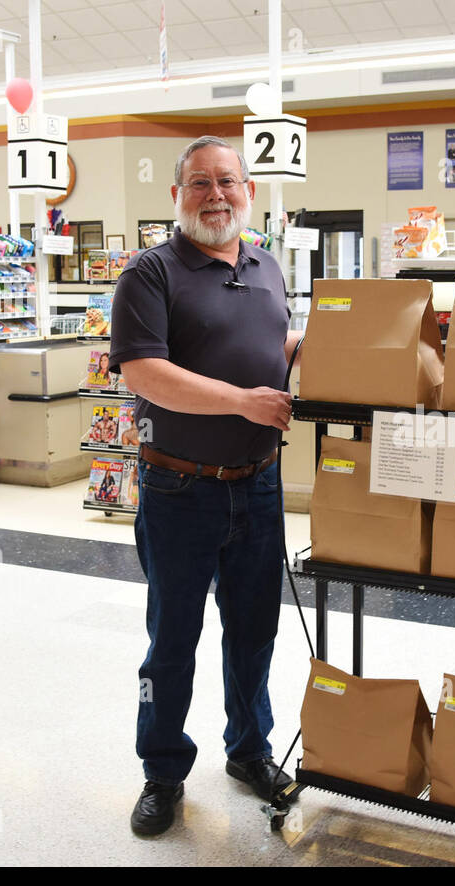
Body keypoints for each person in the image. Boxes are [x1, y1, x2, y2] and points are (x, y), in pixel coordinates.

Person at [109, 135, 300, 837]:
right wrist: (243, 401)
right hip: (178, 491)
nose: (215, 194)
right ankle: (162, 772)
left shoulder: (267, 266)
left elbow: (266, 349)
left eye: (227, 182)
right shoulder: (150, 273)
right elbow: (143, 371)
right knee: (171, 641)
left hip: (259, 486)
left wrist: (307, 349)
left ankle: (249, 749)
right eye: (199, 183)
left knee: (254, 632)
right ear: (176, 196)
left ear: (248, 191)